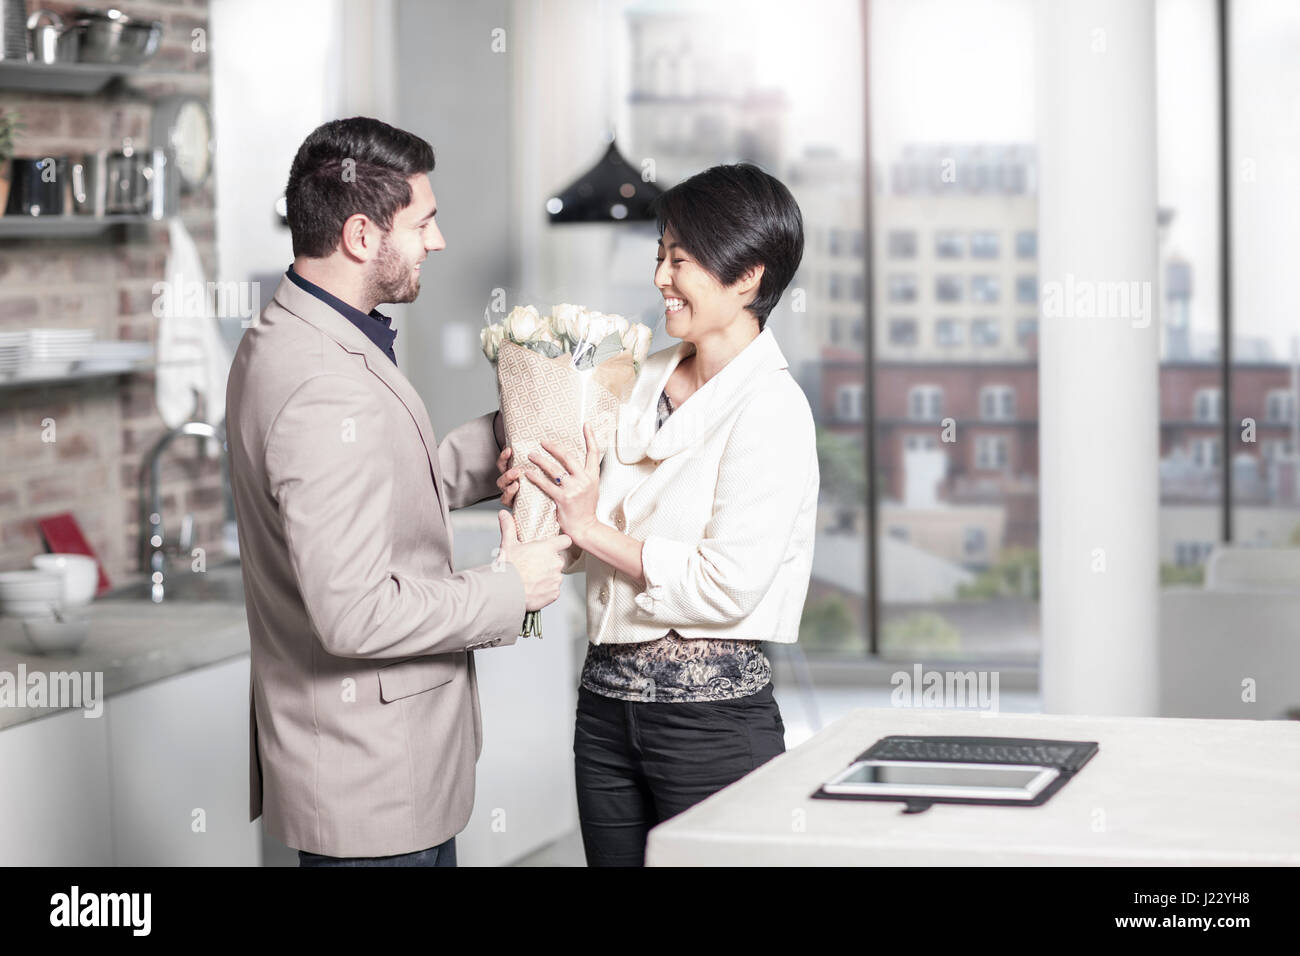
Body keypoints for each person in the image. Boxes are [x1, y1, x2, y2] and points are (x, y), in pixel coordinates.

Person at [226, 117, 571, 867]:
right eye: (424, 222)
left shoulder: (283, 335)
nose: (437, 241)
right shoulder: (323, 384)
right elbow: (353, 615)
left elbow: (373, 488)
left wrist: (518, 426)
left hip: (370, 773)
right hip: (373, 786)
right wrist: (511, 586)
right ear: (359, 235)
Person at [498, 162, 819, 866]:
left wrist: (590, 526)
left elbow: (728, 582)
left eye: (683, 260)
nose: (661, 279)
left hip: (712, 724)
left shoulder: (773, 408)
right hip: (605, 712)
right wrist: (543, 494)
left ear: (747, 277)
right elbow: (585, 534)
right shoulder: (637, 376)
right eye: (660, 256)